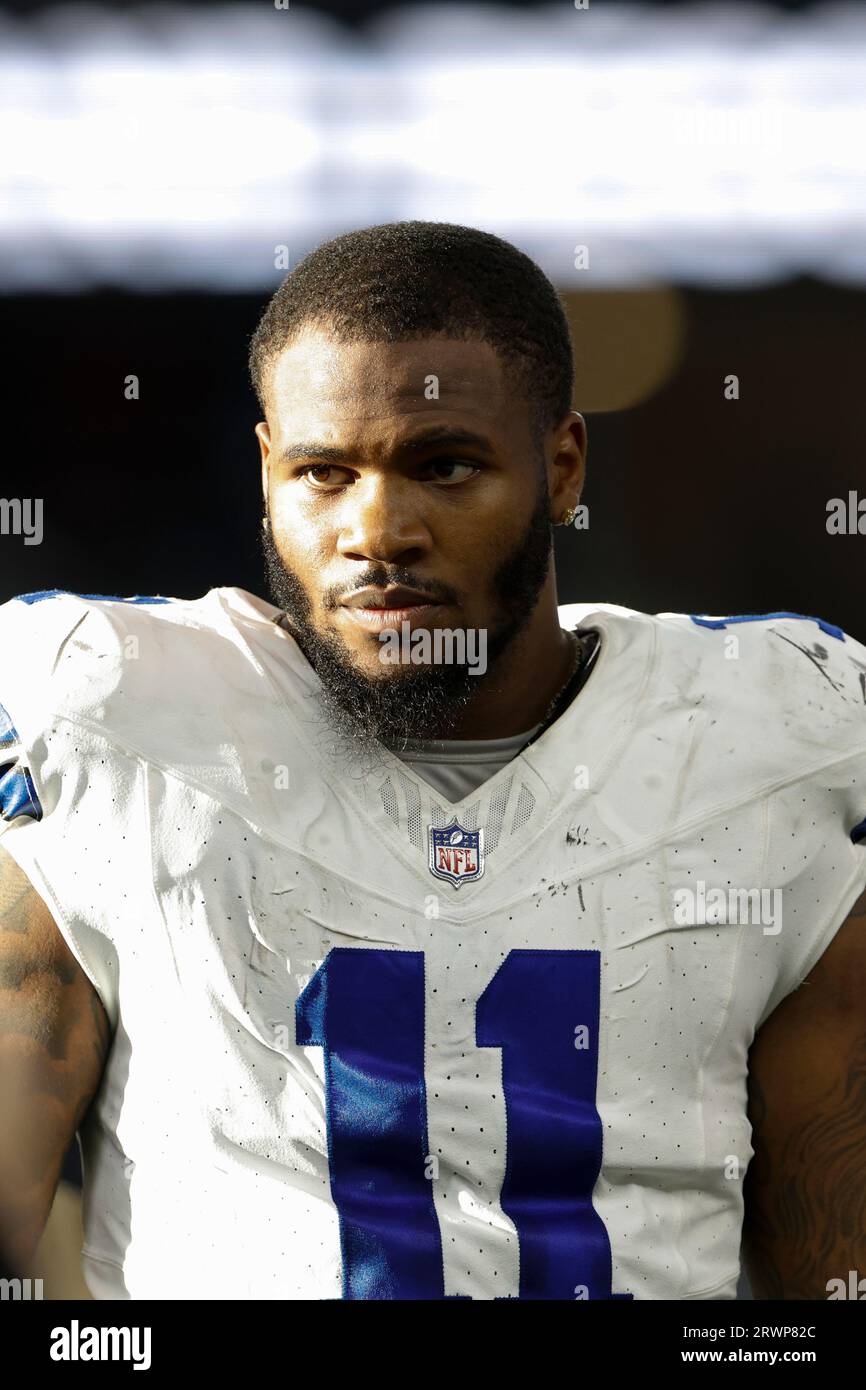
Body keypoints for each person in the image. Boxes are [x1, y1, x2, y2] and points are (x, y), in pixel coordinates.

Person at [0, 221, 864, 1300]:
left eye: (442, 465)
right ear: (266, 470)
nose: (378, 531)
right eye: (324, 474)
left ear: (560, 467)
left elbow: (827, 1275)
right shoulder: (115, 718)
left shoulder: (771, 741)